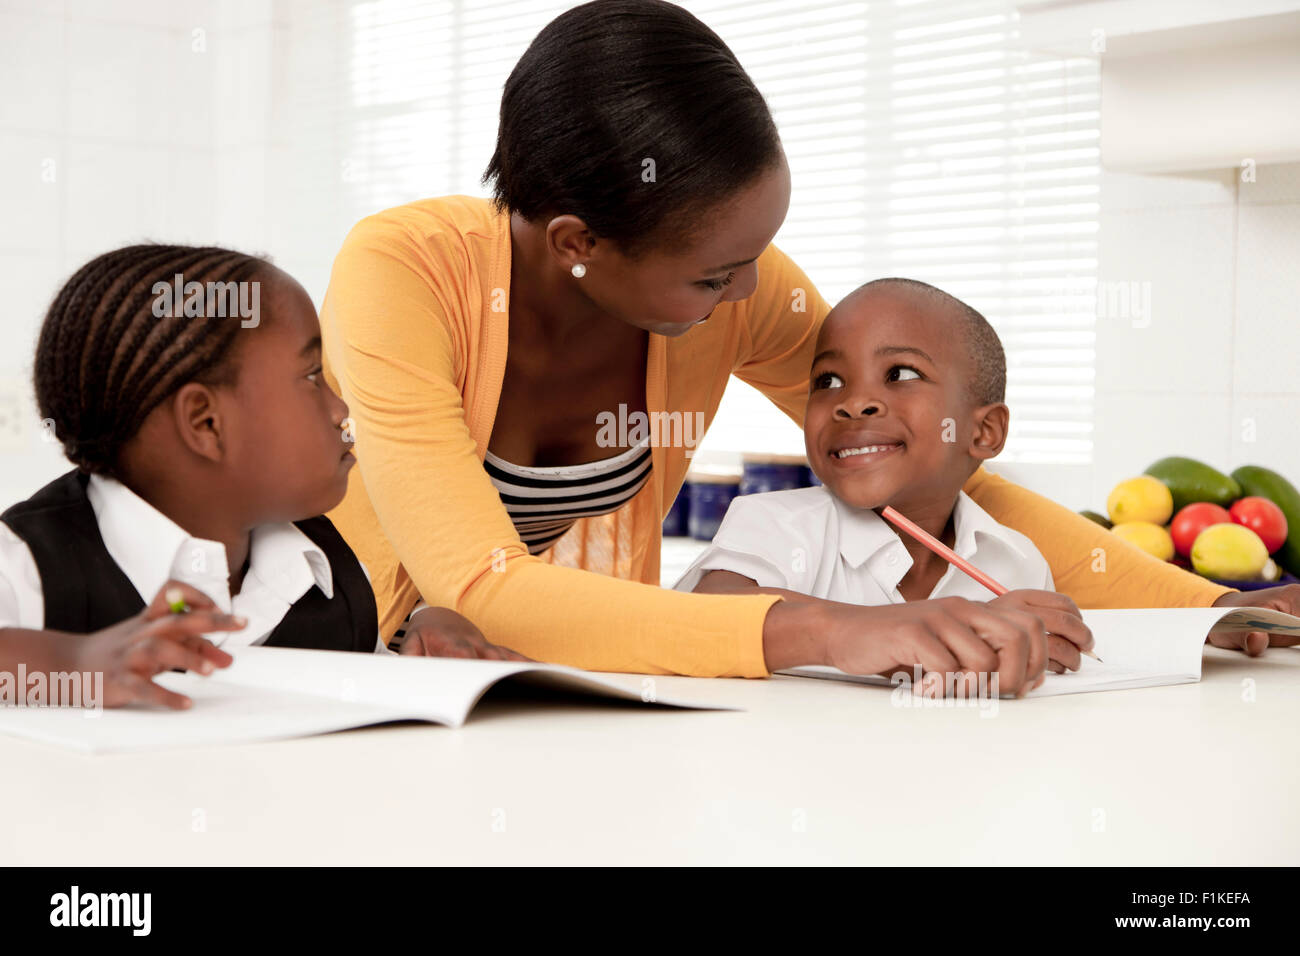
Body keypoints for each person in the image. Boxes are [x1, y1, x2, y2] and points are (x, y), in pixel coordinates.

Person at [318, 0, 1298, 689]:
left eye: (753, 255)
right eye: (712, 274)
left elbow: (930, 460)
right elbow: (480, 581)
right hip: (347, 663)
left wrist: (1210, 603)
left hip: (564, 684)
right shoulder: (405, 272)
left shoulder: (744, 289)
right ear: (578, 243)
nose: (752, 294)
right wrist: (840, 625)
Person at [0, 244, 510, 710]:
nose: (341, 409)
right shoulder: (29, 562)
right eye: (313, 377)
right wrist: (77, 666)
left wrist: (424, 628)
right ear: (205, 423)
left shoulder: (329, 574)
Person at [678, 278, 1096, 690]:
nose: (853, 403)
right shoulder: (776, 523)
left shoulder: (1018, 563)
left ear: (984, 431)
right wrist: (874, 631)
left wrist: (1019, 651)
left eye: (899, 373)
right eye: (829, 381)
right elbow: (701, 617)